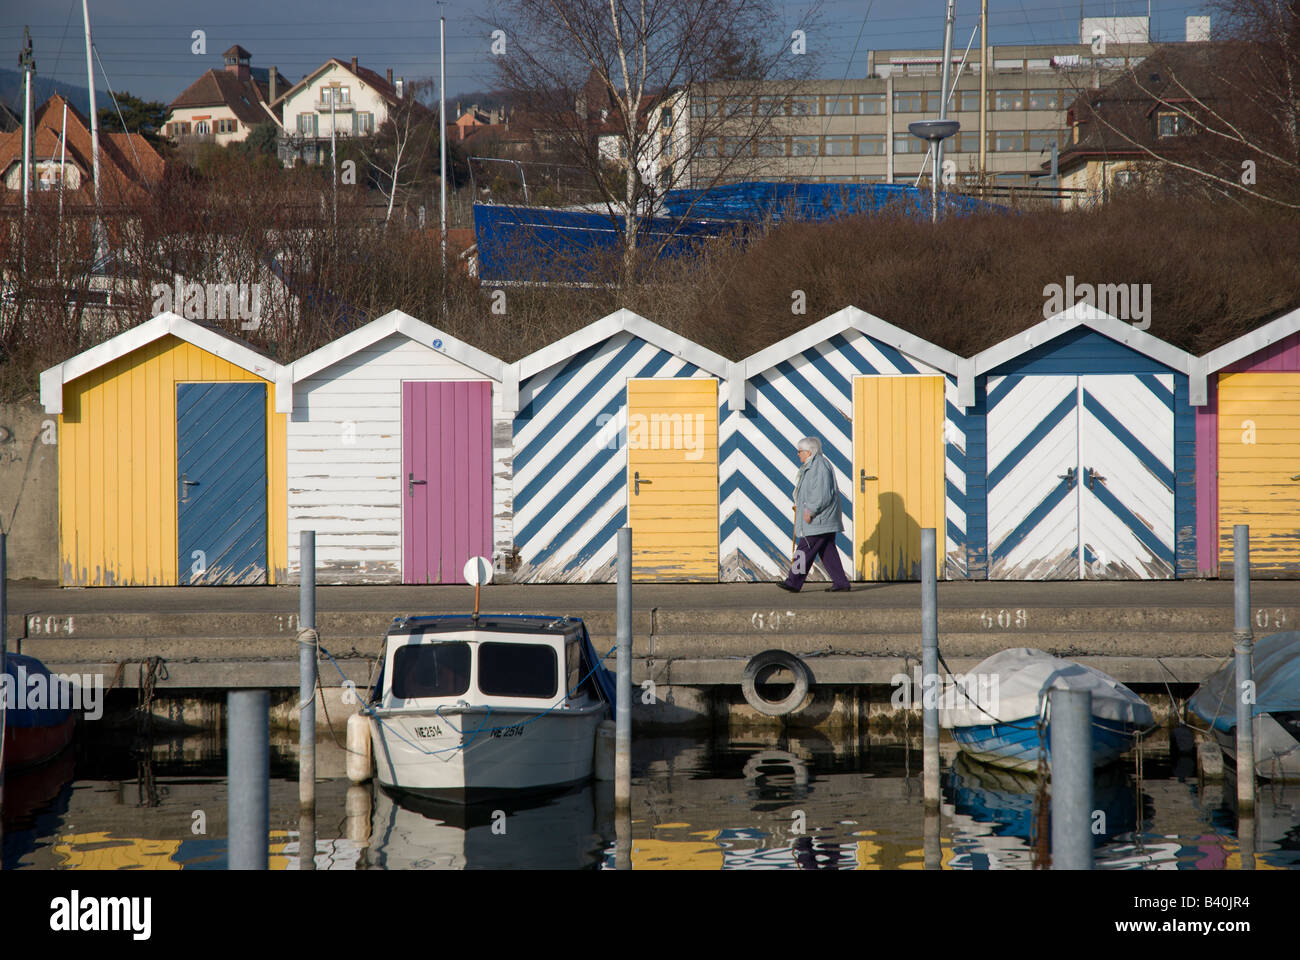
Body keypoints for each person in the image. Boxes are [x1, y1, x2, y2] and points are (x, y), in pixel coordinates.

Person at [779, 436, 851, 592]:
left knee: (804, 549)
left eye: (800, 451)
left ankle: (793, 582)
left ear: (809, 452)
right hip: (822, 518)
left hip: (819, 519)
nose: (798, 454)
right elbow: (810, 492)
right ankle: (841, 583)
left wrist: (810, 511)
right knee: (827, 550)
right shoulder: (813, 466)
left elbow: (822, 494)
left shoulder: (818, 466)